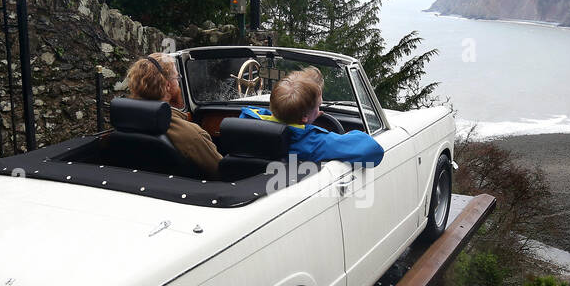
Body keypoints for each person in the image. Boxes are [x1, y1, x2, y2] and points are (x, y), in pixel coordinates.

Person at [239, 71, 384, 166]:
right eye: (318, 106)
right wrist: (344, 137)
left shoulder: (245, 121)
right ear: (304, 117)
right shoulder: (313, 142)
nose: (319, 110)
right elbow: (374, 150)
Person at [123, 53, 222, 177]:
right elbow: (221, 171)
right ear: (168, 85)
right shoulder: (192, 135)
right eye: (177, 78)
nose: (179, 82)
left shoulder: (124, 121)